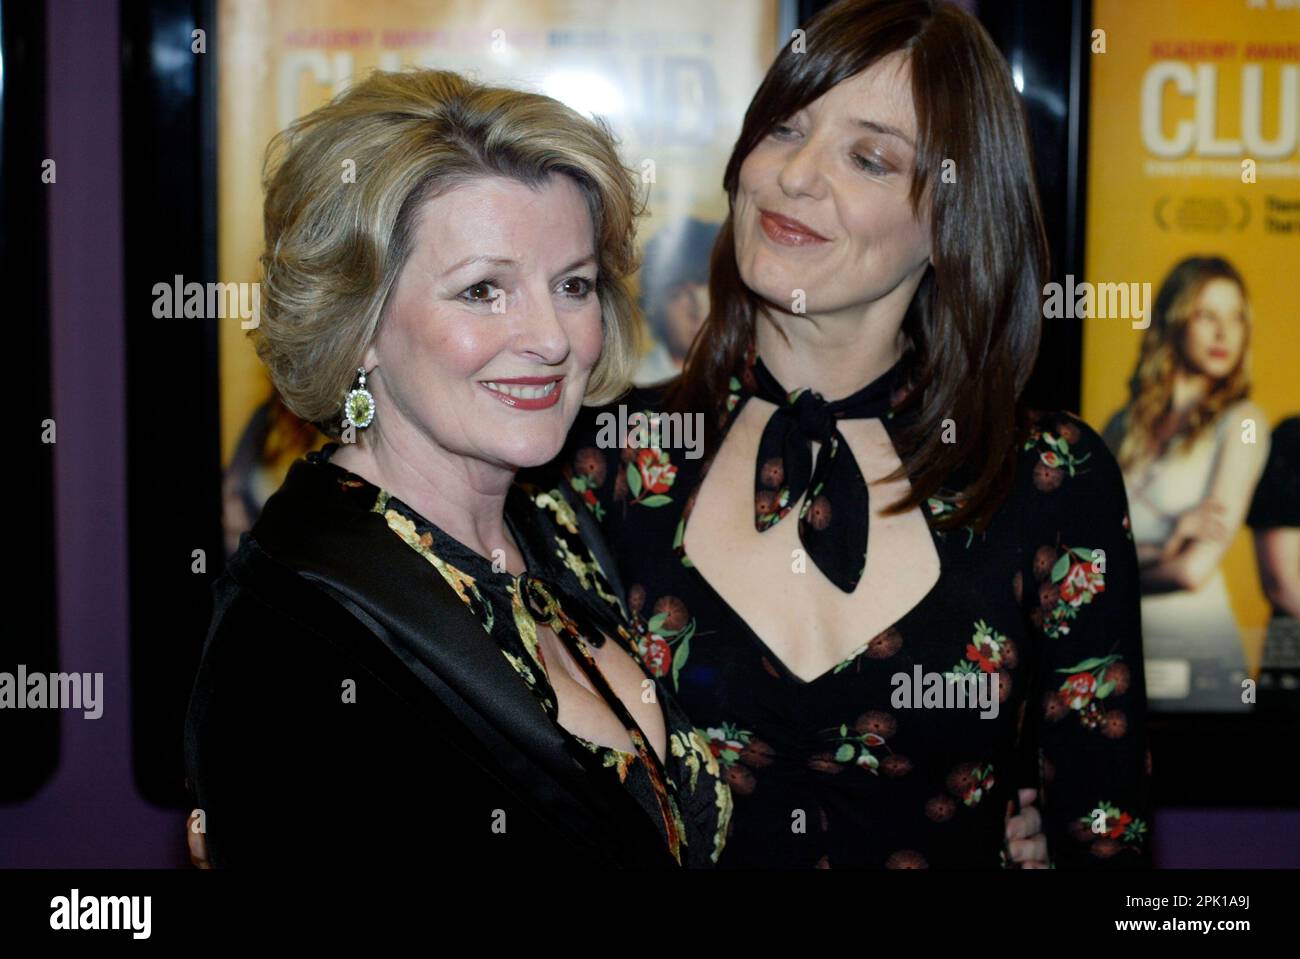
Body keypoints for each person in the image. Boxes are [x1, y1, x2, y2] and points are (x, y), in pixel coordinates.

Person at [561, 0, 1151, 867]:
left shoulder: (1047, 478)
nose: (796, 176)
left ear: (953, 221)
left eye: (869, 158)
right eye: (785, 128)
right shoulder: (603, 456)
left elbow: (1114, 849)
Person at [184, 68, 731, 869]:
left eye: (572, 284)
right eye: (483, 290)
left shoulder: (555, 519)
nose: (551, 336)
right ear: (359, 323)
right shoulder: (294, 640)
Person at [1102, 257, 1271, 713]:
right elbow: (1083, 551)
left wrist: (1112, 573)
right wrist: (1168, 542)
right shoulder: (1122, 427)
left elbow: (1191, 571)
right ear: (1176, 320)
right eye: (1207, 315)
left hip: (1201, 666)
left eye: (1236, 318)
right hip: (1122, 661)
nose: (1224, 334)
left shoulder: (1242, 424)